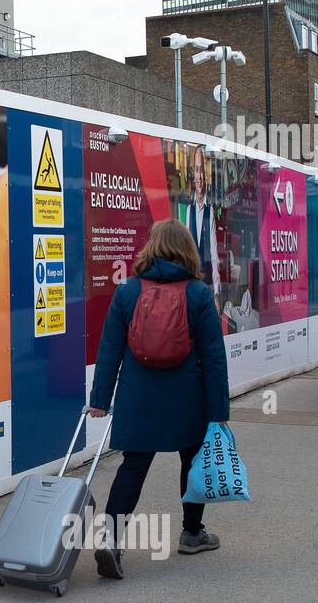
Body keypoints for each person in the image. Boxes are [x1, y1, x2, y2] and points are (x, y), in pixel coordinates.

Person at [87, 218, 230, 579]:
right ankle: (192, 532)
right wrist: (219, 411)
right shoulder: (198, 294)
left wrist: (100, 399)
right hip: (187, 395)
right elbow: (214, 357)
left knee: (133, 466)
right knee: (192, 461)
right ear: (186, 250)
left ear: (151, 247)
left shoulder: (128, 291)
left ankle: (111, 538)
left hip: (139, 395)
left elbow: (109, 351)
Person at [179, 145, 221, 291]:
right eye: (197, 170)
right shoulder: (189, 210)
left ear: (206, 174)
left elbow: (214, 255)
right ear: (193, 174)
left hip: (206, 283)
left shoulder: (210, 213)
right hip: (191, 282)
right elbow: (185, 250)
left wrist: (216, 290)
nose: (200, 176)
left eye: (202, 170)